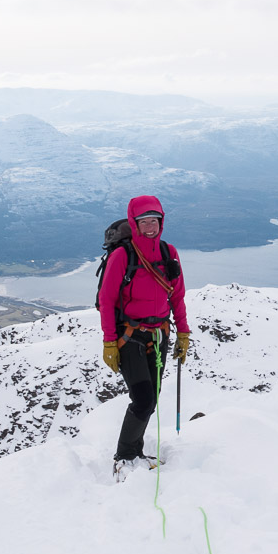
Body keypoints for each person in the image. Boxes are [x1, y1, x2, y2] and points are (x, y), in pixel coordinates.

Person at [98, 195, 190, 476]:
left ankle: (134, 451)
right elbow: (107, 299)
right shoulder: (122, 256)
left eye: (155, 221)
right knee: (143, 399)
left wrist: (183, 333)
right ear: (134, 223)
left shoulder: (168, 252)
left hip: (160, 335)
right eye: (143, 221)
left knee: (152, 397)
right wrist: (110, 341)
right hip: (130, 337)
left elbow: (178, 296)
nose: (150, 226)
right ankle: (124, 456)